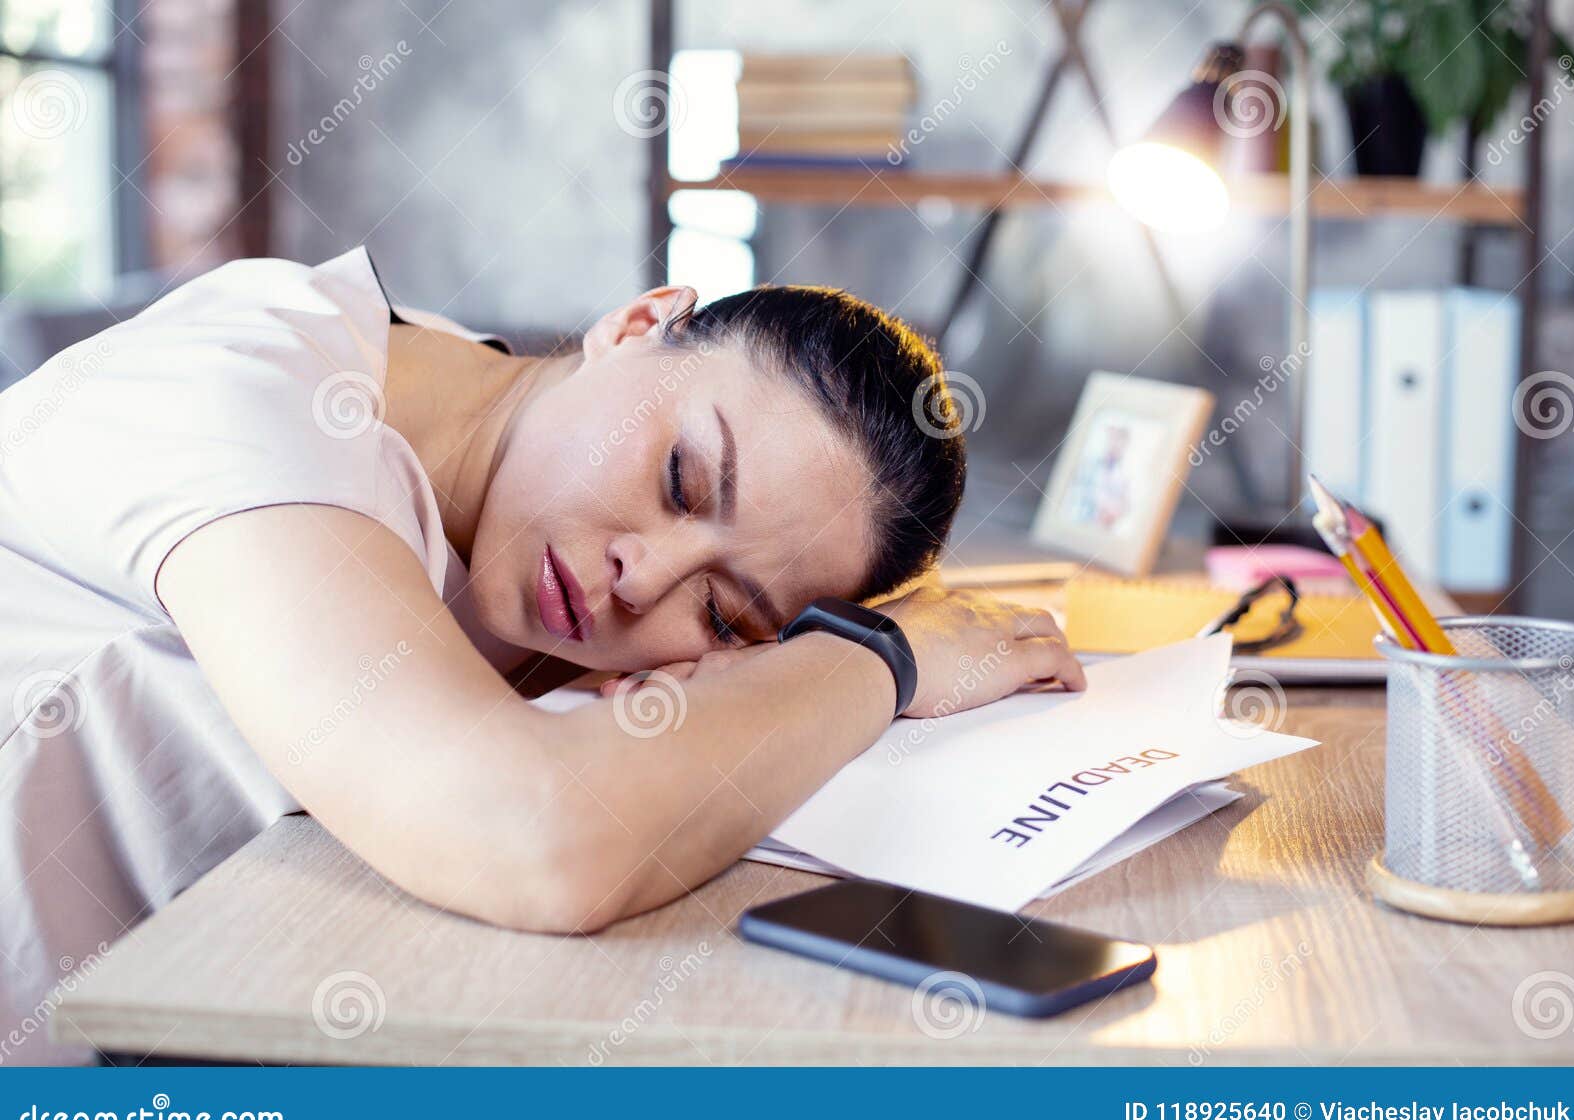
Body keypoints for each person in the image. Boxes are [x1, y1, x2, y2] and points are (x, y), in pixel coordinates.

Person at [0, 247, 1081, 1062]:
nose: (642, 578)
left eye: (723, 613)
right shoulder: (248, 397)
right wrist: (877, 658)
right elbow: (534, 835)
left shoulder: (488, 452)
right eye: (681, 482)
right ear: (643, 321)